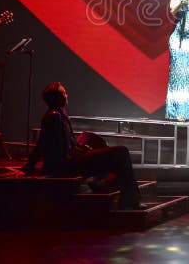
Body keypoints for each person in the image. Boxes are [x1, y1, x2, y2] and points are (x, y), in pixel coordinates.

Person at [21, 82, 144, 210]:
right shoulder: (53, 117)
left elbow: (56, 143)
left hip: (70, 161)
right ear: (57, 98)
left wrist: (81, 148)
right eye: (64, 93)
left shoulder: (59, 114)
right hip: (68, 165)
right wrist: (29, 167)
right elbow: (46, 146)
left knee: (106, 148)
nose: (67, 95)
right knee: (121, 152)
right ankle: (129, 199)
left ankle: (120, 194)